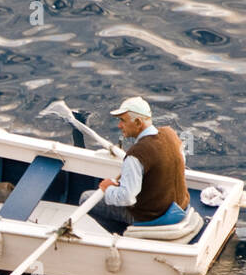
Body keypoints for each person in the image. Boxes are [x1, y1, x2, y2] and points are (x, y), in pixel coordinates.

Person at [78, 96, 189, 228]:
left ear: (137, 122)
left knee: (85, 198)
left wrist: (108, 189)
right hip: (180, 205)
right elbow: (181, 159)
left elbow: (127, 198)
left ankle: (126, 233)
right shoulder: (170, 133)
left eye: (123, 121)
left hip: (153, 215)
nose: (119, 125)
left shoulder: (136, 155)